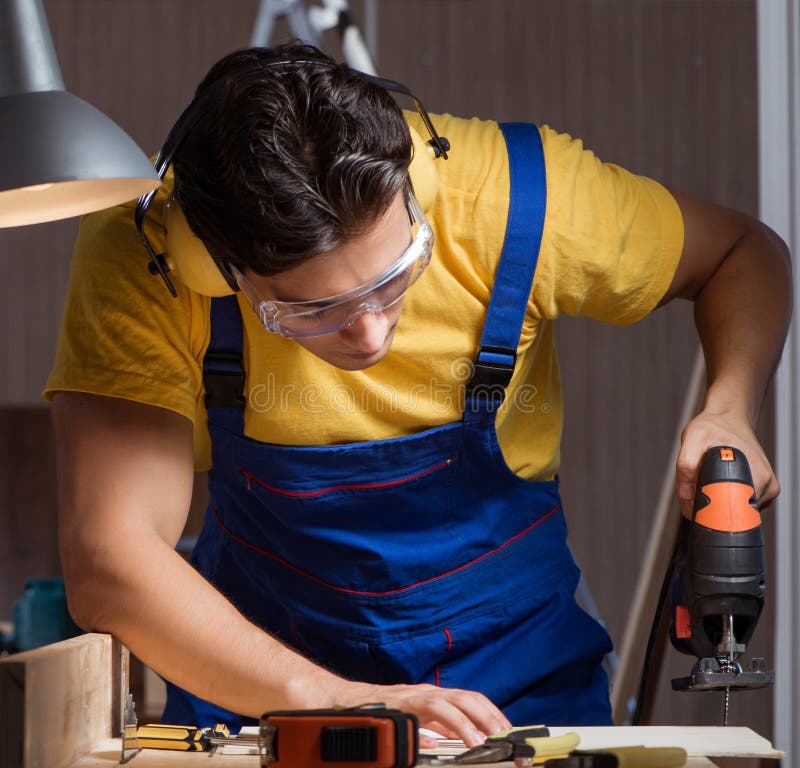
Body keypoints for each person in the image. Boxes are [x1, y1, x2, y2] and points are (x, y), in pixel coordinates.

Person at [46, 42, 790, 742]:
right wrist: (331, 700)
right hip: (260, 687)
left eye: (394, 276)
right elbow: (110, 558)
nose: (370, 335)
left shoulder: (515, 199)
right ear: (219, 268)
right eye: (313, 311)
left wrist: (730, 408)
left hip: (518, 681)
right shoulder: (148, 254)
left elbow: (739, 252)